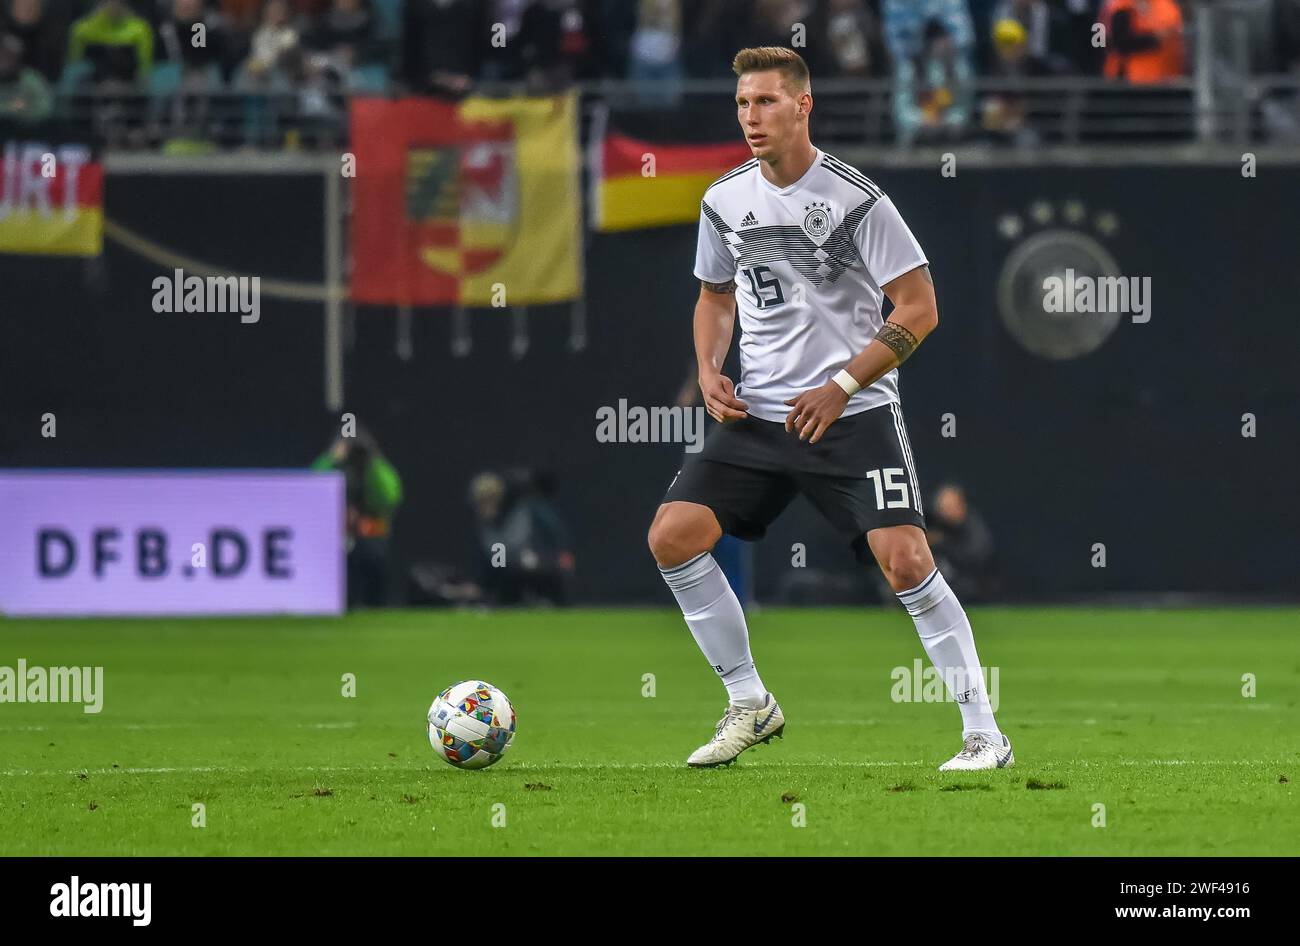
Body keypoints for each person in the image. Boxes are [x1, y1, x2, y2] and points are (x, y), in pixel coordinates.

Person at [647, 46, 1011, 772]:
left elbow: (920, 308)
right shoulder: (724, 200)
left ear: (803, 105)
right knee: (672, 537)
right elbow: (713, 298)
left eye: (768, 102)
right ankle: (749, 702)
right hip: (757, 415)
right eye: (744, 103)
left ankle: (984, 736)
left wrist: (842, 384)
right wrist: (710, 367)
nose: (753, 117)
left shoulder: (856, 200)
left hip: (851, 413)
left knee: (906, 562)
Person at [312, 430, 403, 607]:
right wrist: (332, 458)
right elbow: (311, 484)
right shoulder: (334, 464)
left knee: (373, 561)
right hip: (335, 536)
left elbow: (390, 495)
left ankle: (375, 606)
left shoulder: (375, 468)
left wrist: (373, 460)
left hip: (371, 533)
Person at [927, 483, 996, 602]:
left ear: (961, 506)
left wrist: (943, 544)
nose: (946, 513)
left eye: (950, 507)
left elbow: (976, 558)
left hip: (968, 586)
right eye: (943, 508)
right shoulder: (934, 525)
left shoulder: (972, 527)